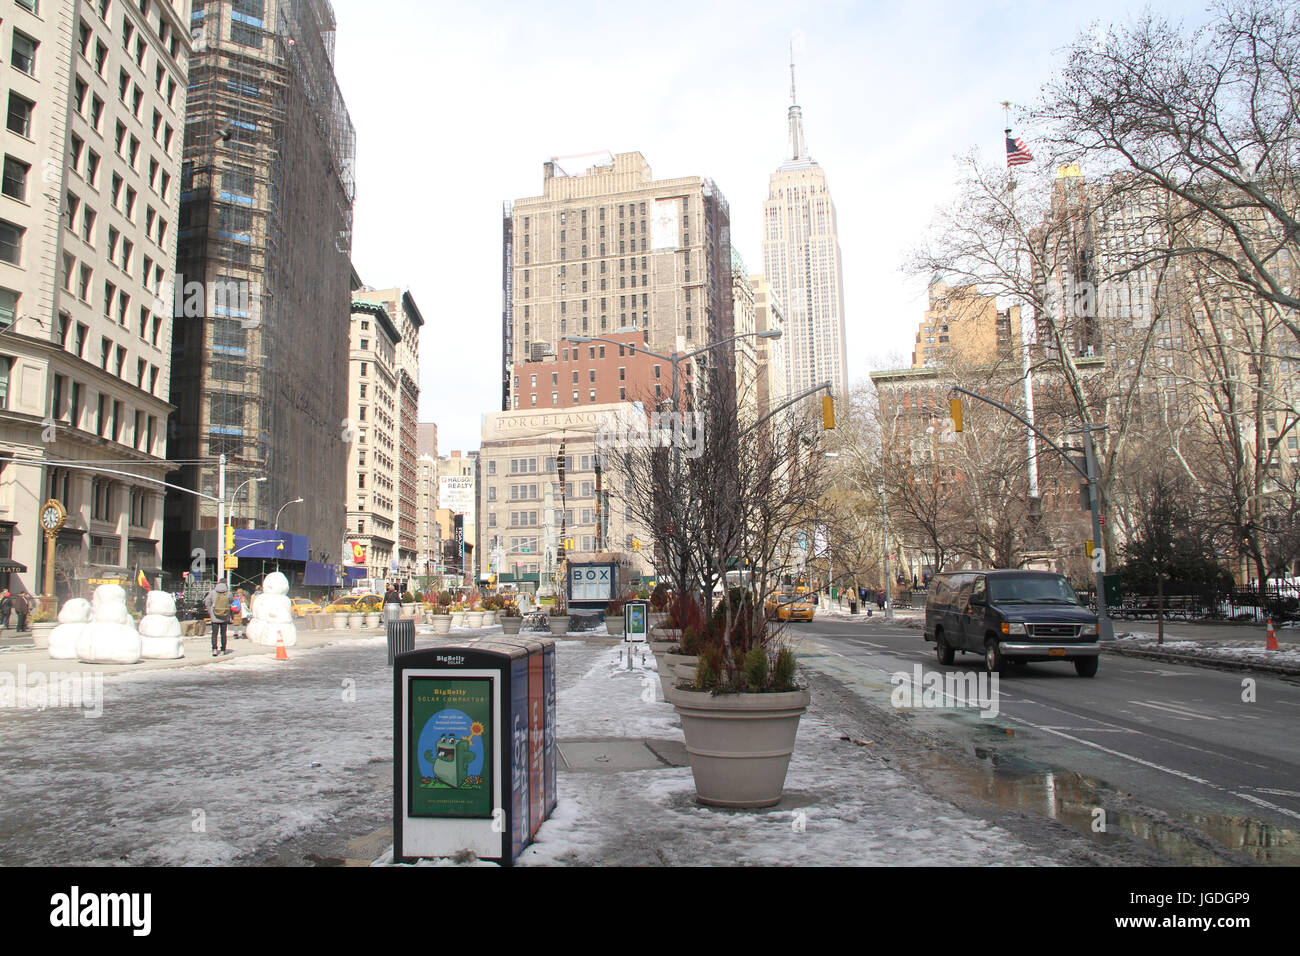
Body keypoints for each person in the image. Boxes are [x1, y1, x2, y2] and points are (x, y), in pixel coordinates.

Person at [205, 581, 232, 657]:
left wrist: (211, 612)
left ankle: (214, 649)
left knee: (214, 634)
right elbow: (230, 602)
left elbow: (207, 602)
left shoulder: (212, 592)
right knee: (223, 634)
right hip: (225, 616)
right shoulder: (229, 593)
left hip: (215, 617)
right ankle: (223, 649)